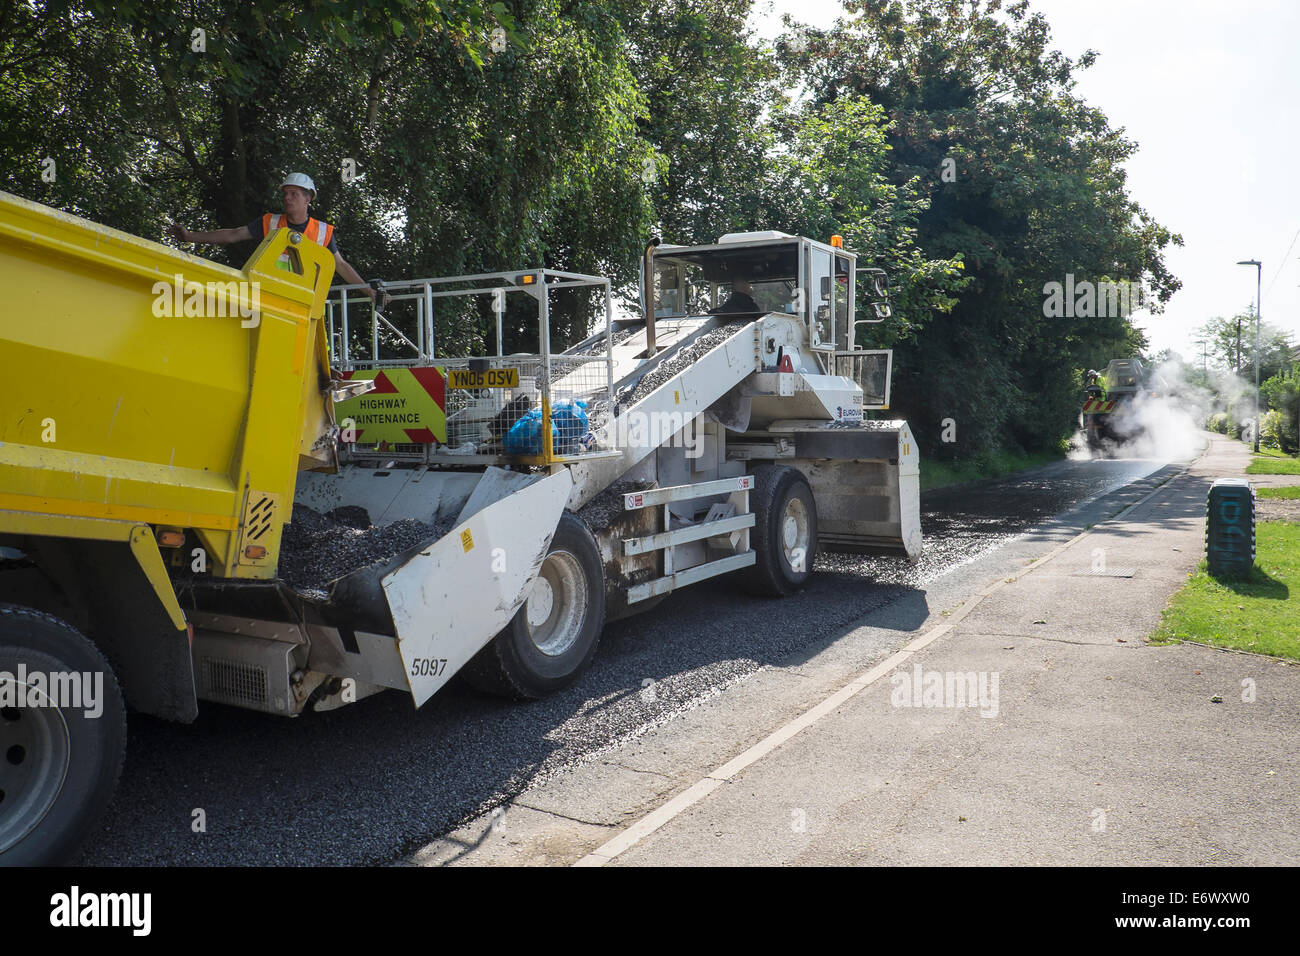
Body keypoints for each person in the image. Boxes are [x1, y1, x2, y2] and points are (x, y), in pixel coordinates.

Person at [167, 172, 385, 306]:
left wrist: (368, 291)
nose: (287, 198)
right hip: (268, 297)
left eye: (294, 194)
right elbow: (234, 234)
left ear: (307, 199)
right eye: (285, 194)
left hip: (303, 301)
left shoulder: (322, 231)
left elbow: (340, 265)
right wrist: (190, 237)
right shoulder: (270, 222)